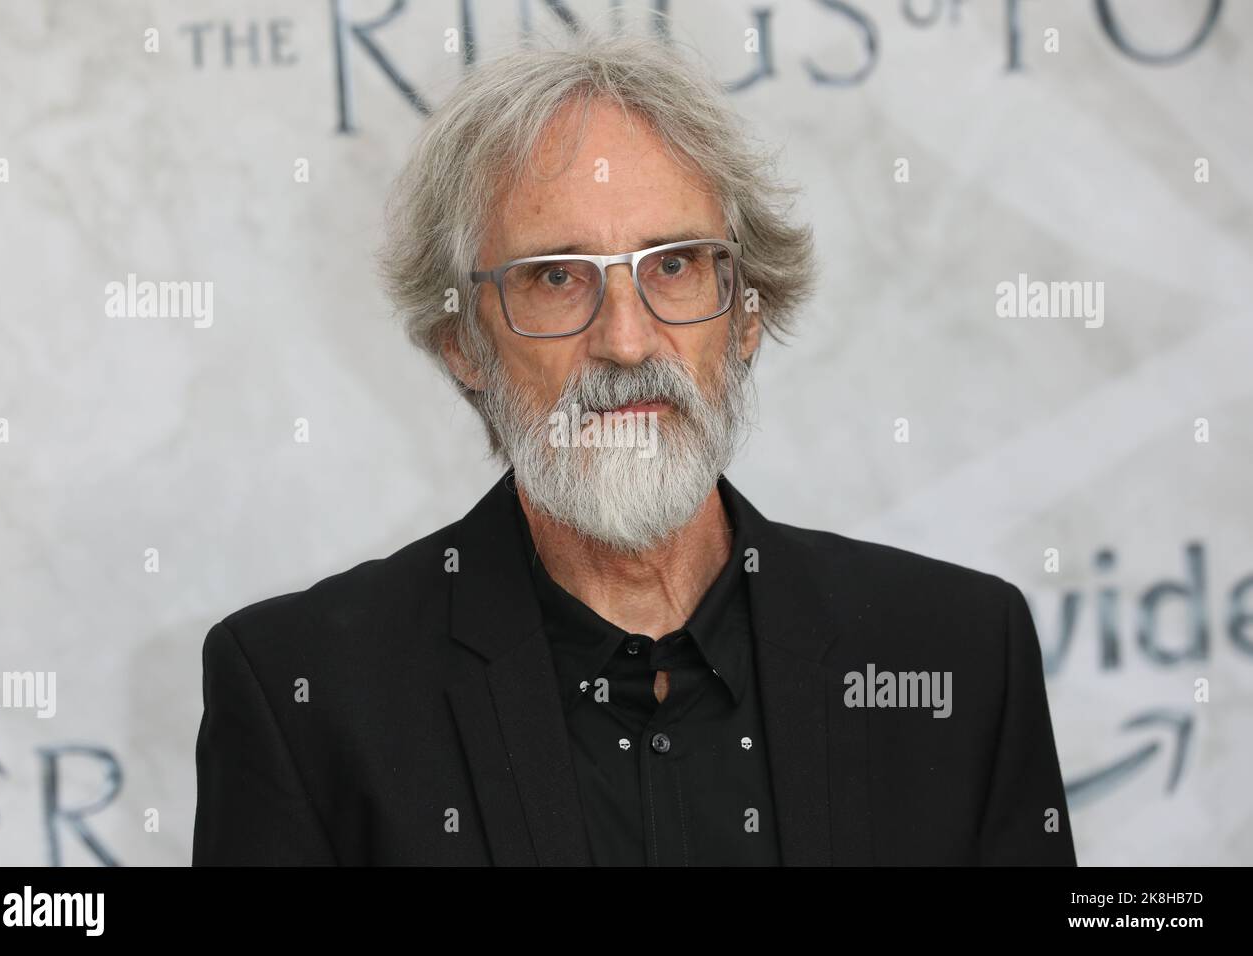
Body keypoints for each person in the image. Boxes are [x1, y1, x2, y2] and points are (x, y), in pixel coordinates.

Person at [192, 28, 1075, 866]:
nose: (626, 340)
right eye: (555, 277)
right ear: (462, 340)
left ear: (747, 312)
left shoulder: (956, 656)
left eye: (675, 266)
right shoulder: (306, 698)